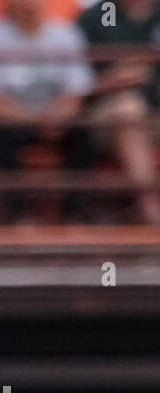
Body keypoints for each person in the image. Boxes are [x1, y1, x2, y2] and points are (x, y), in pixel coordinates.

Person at [0, 0, 96, 223]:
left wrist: (58, 117)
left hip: (57, 121)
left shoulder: (66, 35)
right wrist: (33, 120)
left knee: (83, 134)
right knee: (1, 135)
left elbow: (76, 92)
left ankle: (76, 214)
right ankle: (16, 215)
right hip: (10, 120)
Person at [78, 0, 160, 226]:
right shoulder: (93, 19)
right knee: (129, 109)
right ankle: (150, 210)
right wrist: (112, 80)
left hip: (155, 114)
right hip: (106, 117)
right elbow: (74, 86)